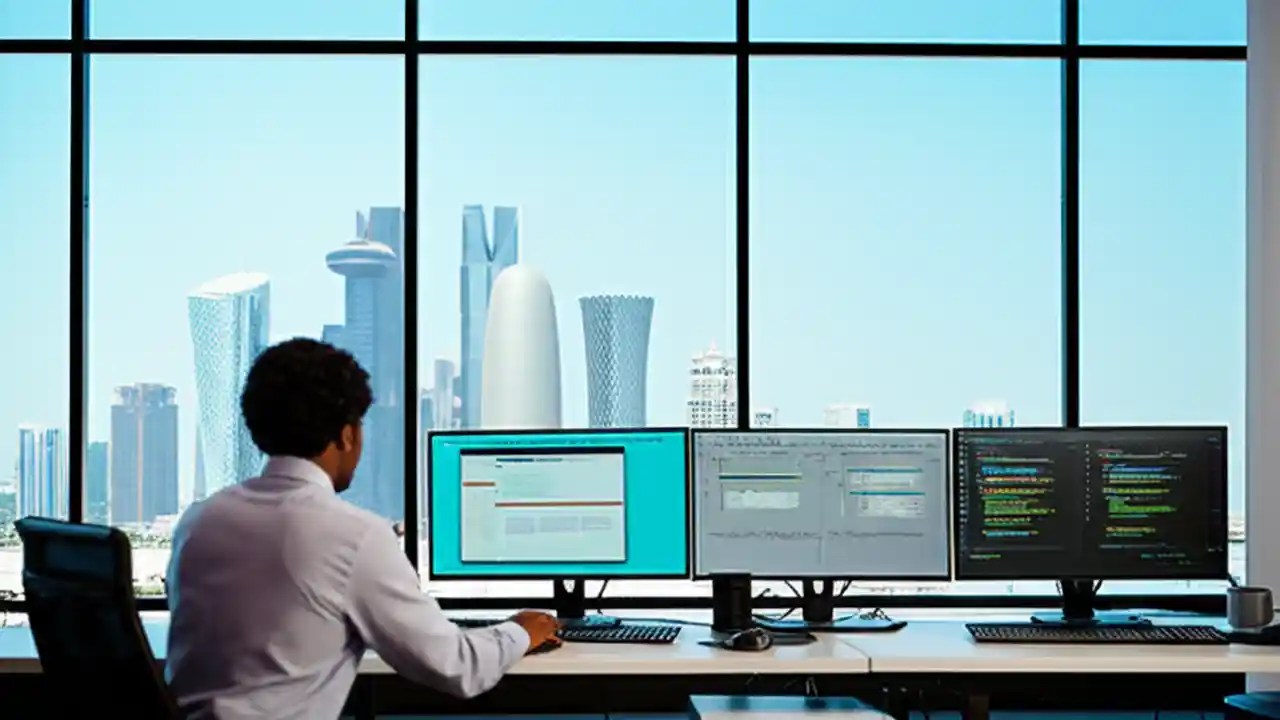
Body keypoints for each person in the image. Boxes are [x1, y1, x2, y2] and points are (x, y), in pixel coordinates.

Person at [165, 337, 560, 719]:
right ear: (347, 434)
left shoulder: (198, 521)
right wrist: (520, 630)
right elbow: (456, 667)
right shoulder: (355, 536)